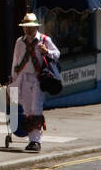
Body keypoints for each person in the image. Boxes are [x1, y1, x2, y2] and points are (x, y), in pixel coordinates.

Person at [8, 12, 61, 152]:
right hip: (23, 78)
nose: (28, 30)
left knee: (36, 108)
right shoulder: (19, 42)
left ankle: (36, 141)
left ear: (36, 27)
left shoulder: (44, 40)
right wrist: (13, 79)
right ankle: (31, 140)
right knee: (26, 109)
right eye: (26, 27)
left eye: (30, 27)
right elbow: (16, 61)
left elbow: (57, 55)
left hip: (38, 79)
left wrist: (47, 52)